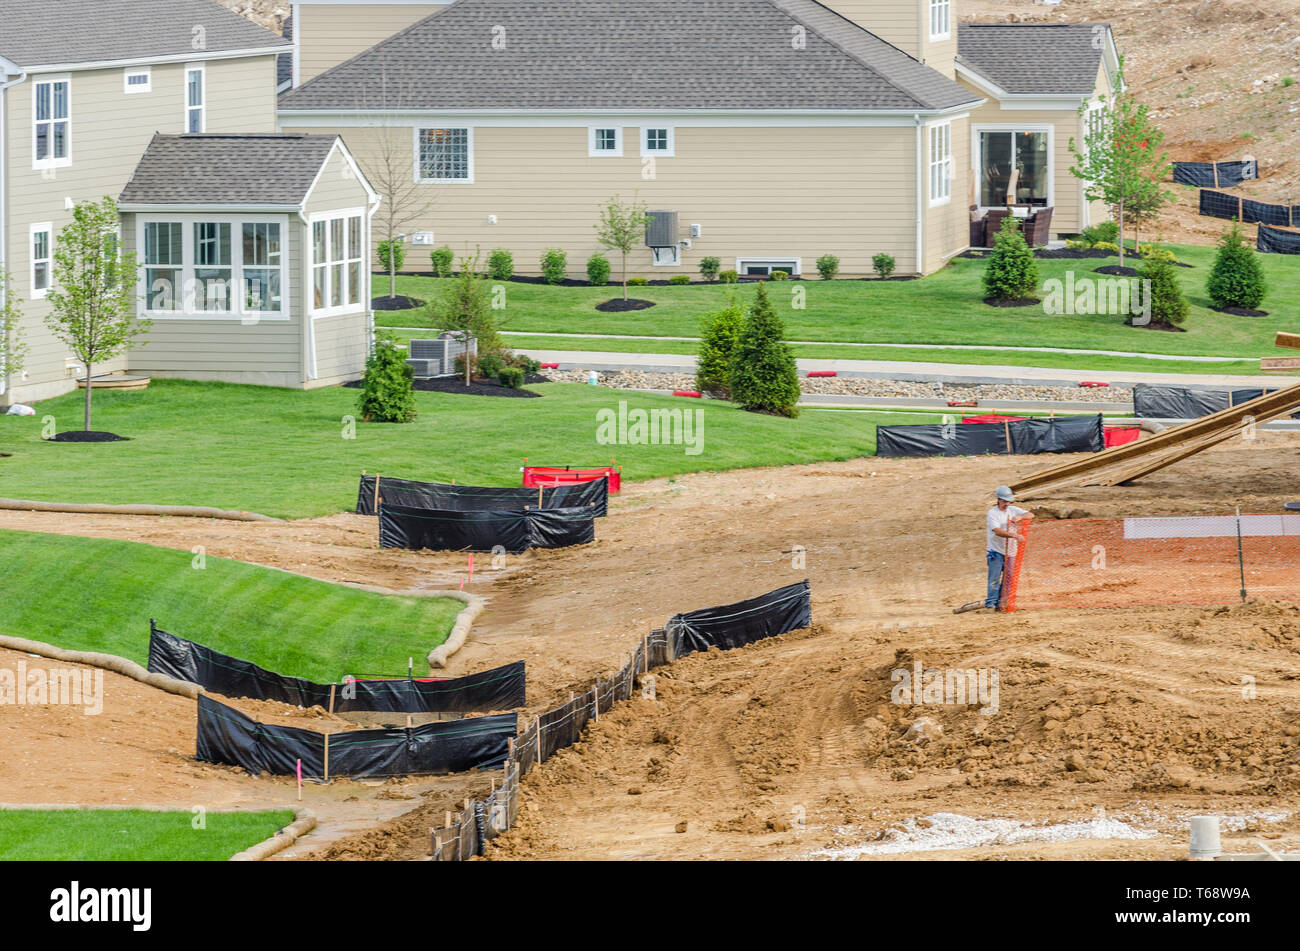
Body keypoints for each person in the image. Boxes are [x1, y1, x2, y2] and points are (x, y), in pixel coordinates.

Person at [986, 486, 1031, 610]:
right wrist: (1014, 535)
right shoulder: (992, 513)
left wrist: (1021, 517)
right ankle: (990, 604)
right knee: (994, 579)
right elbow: (997, 531)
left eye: (1008, 501)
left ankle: (1000, 603)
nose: (1007, 503)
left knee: (1009, 578)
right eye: (1004, 501)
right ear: (998, 500)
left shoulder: (1013, 510)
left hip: (1011, 551)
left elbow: (1030, 514)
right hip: (995, 551)